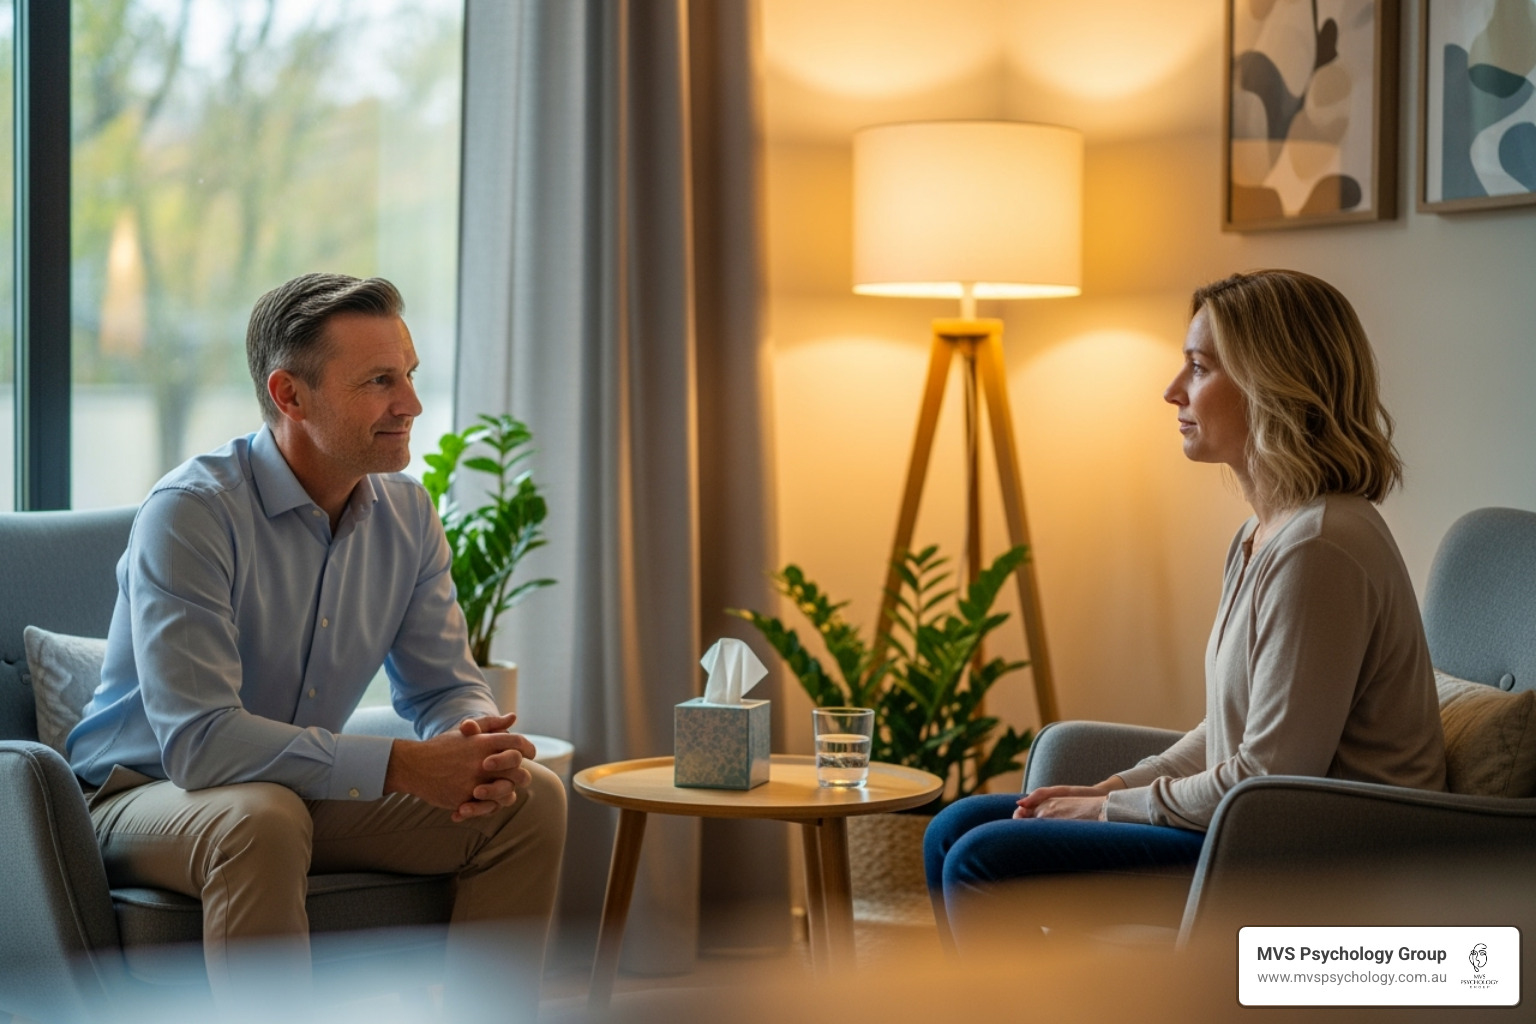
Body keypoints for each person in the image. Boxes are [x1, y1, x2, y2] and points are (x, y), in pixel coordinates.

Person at [67, 273, 566, 1009]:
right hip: (142, 797)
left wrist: (475, 747)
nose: (411, 404)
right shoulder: (191, 514)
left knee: (528, 798)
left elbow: (442, 685)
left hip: (291, 794)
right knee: (261, 817)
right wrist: (402, 765)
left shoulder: (408, 513)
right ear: (289, 395)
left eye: (410, 375)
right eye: (380, 381)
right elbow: (202, 745)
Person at [924, 269, 1447, 950]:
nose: (1173, 390)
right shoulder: (1265, 533)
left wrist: (1111, 810)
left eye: (1198, 368)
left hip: (1318, 859)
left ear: (1271, 383)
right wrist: (1113, 786)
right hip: (1254, 829)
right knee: (952, 828)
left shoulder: (1321, 549)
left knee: (983, 858)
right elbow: (1228, 733)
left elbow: (1270, 779)